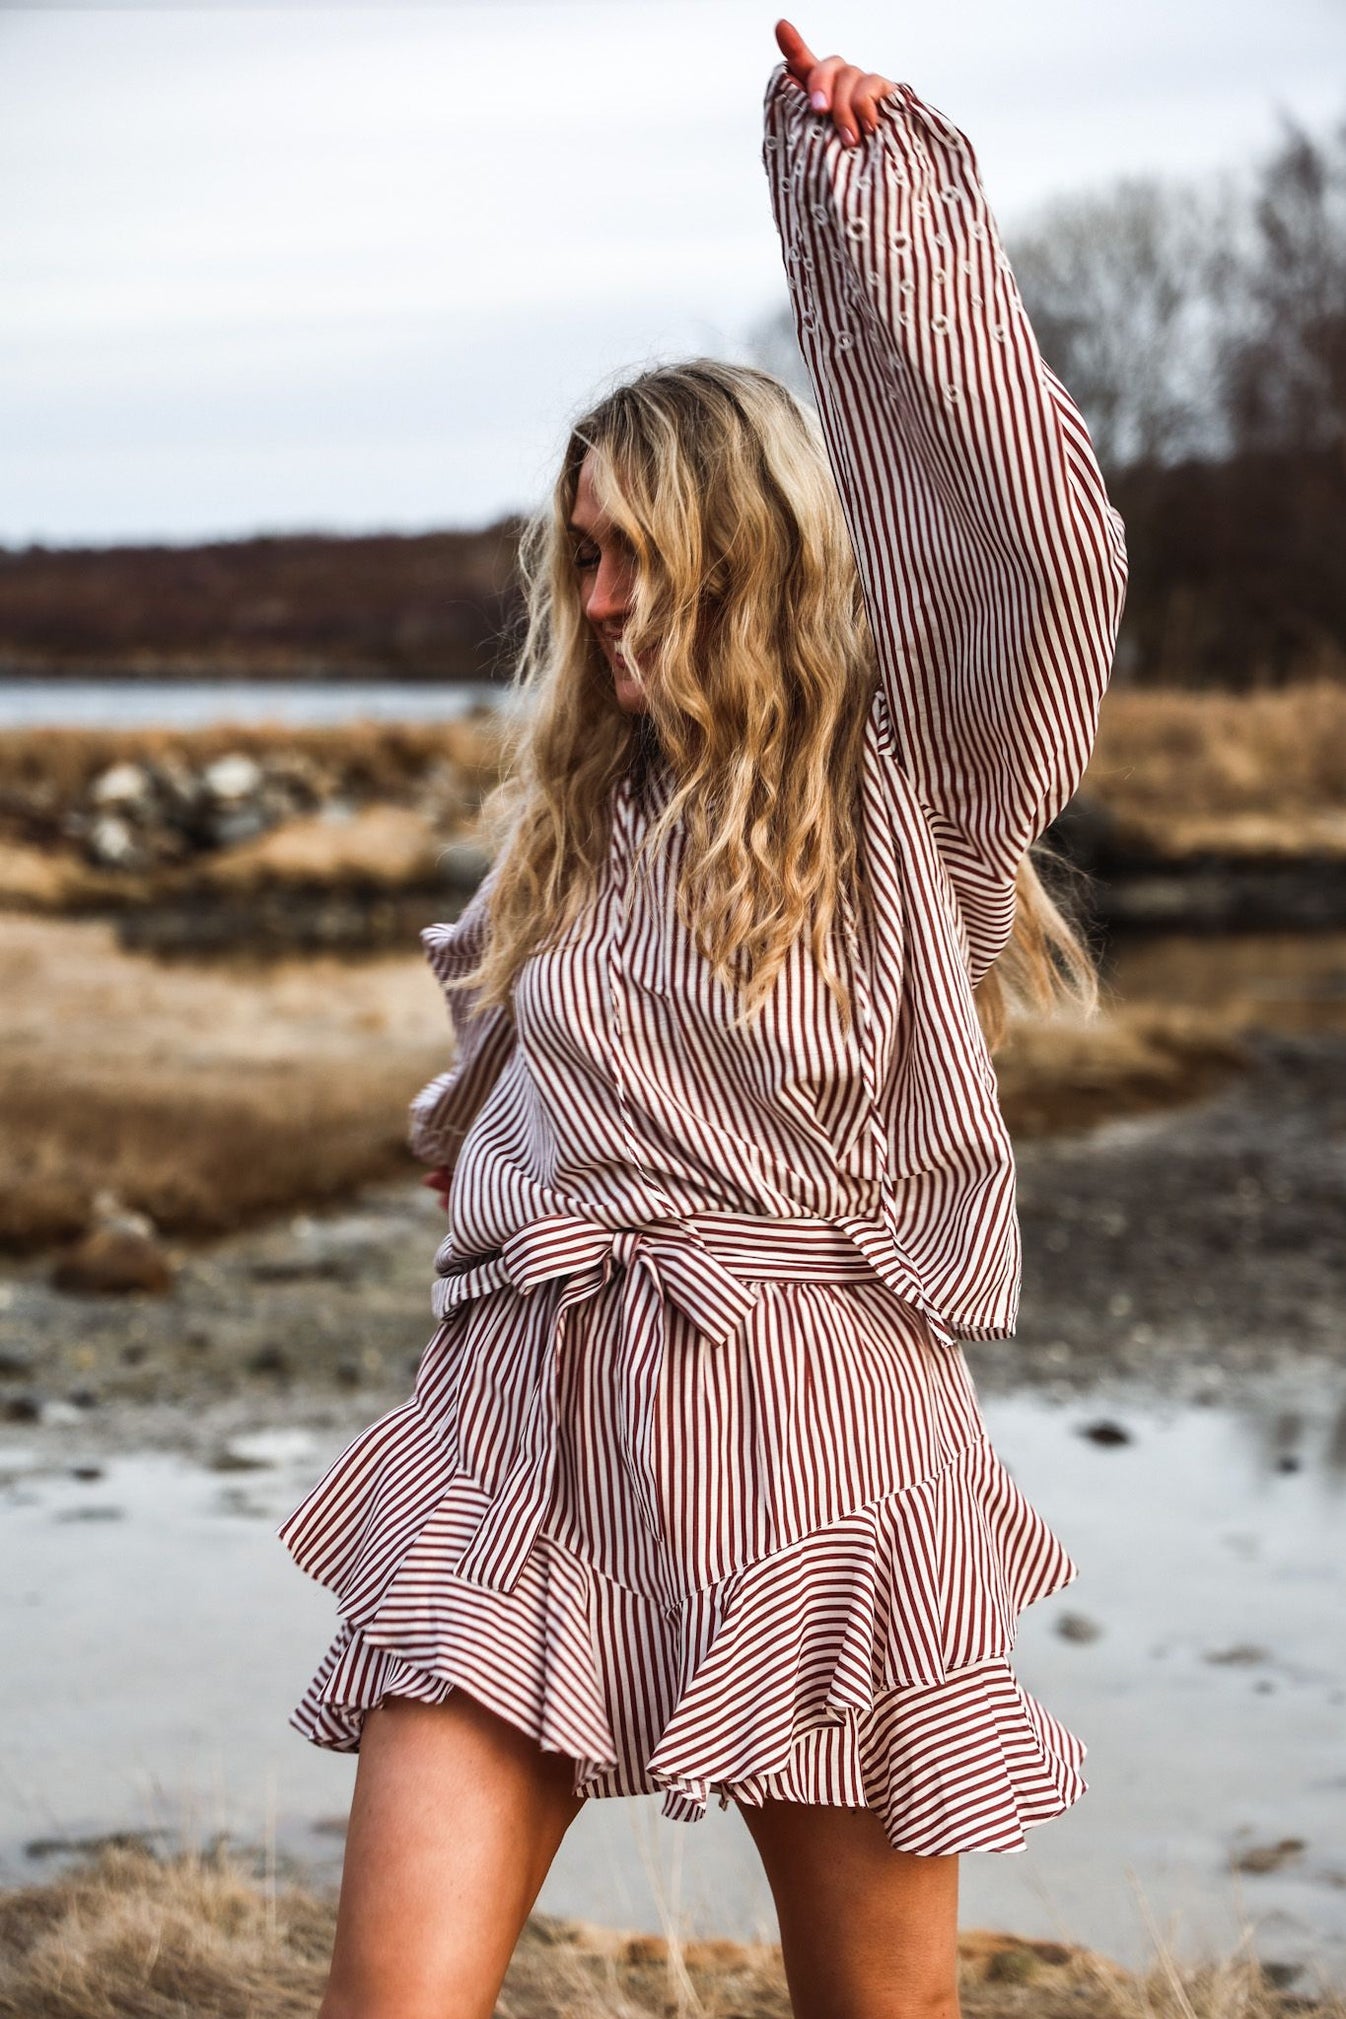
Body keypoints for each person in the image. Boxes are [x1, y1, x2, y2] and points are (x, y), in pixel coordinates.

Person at [278, 19, 1128, 2019]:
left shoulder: (910, 790)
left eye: (630, 554)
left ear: (746, 557)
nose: (586, 599)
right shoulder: (571, 824)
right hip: (523, 1429)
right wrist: (467, 1141)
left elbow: (1046, 545)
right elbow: (499, 1078)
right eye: (573, 553)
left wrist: (868, 208)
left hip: (816, 1436)